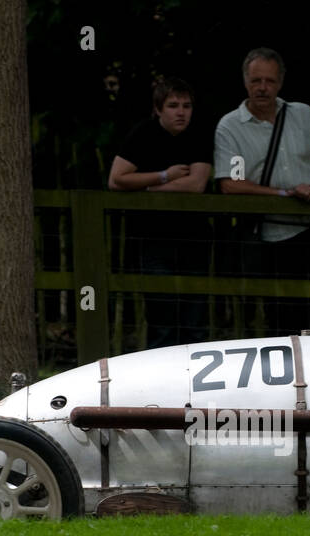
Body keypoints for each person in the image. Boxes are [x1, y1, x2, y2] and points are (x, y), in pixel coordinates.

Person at [214, 48, 310, 336]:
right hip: (273, 233)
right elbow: (231, 184)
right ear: (245, 81)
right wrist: (284, 194)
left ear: (281, 82)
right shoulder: (231, 127)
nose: (262, 88)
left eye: (269, 81)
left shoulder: (304, 115)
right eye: (256, 80)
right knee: (280, 317)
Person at [108, 77, 213, 349]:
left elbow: (196, 184)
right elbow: (117, 179)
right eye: (173, 105)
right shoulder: (143, 133)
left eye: (187, 106)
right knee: (161, 318)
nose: (181, 112)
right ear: (158, 109)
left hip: (195, 239)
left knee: (194, 320)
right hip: (152, 238)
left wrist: (150, 187)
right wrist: (165, 175)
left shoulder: (199, 135)